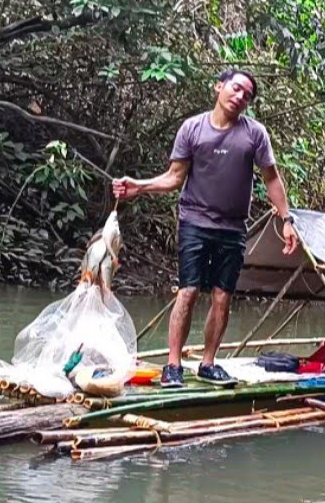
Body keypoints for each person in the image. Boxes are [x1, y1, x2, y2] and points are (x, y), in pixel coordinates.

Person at [112, 68, 298, 387]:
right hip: (194, 221)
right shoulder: (193, 128)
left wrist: (287, 220)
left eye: (247, 95)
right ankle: (173, 365)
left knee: (222, 297)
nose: (239, 96)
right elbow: (174, 177)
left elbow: (271, 178)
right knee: (188, 291)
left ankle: (208, 364)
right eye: (236, 88)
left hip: (233, 228)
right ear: (218, 87)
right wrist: (139, 187)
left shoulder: (255, 134)